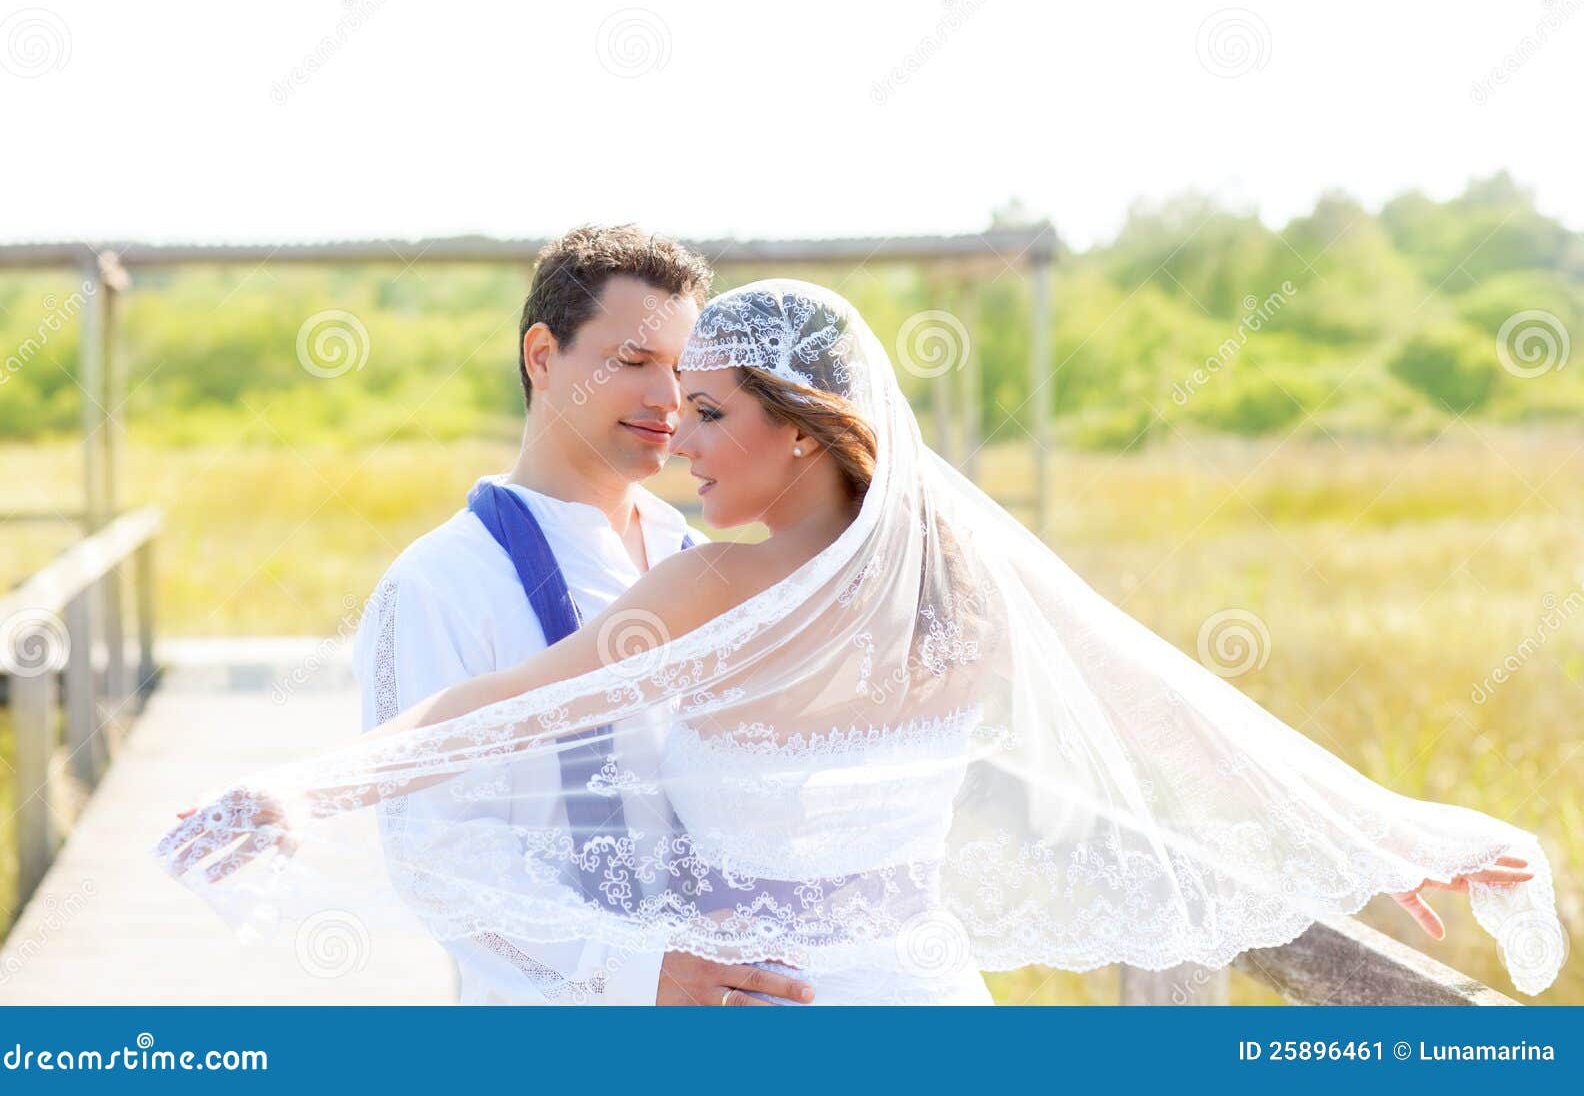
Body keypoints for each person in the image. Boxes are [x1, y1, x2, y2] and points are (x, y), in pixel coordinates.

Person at [156, 279, 1566, 1004]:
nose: (677, 441)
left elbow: (484, 709)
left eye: (710, 413)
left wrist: (298, 787)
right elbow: (1185, 722)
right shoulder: (961, 576)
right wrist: (1397, 835)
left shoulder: (720, 586)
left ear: (801, 426)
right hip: (924, 999)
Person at [347, 224, 810, 1006]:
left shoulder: (705, 564)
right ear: (540, 356)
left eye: (684, 370)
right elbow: (433, 848)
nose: (669, 400)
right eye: (633, 362)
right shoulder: (438, 583)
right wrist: (638, 972)